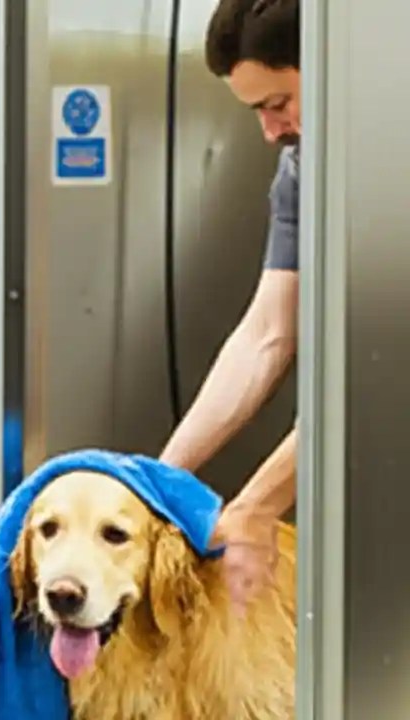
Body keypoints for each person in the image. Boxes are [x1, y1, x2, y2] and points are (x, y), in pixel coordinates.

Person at [158, 0, 301, 611]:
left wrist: (259, 503)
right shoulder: (304, 170)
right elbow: (266, 335)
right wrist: (156, 482)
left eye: (278, 104)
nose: (270, 132)